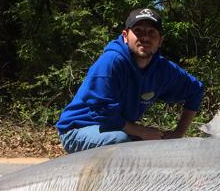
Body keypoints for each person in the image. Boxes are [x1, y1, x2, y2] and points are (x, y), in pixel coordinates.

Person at [56, 8, 205, 153]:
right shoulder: (111, 62)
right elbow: (104, 116)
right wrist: (142, 131)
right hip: (78, 129)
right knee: (121, 142)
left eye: (151, 32)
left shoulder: (163, 69)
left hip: (117, 129)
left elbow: (196, 90)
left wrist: (178, 133)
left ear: (160, 40)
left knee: (156, 145)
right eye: (138, 31)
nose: (145, 37)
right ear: (125, 36)